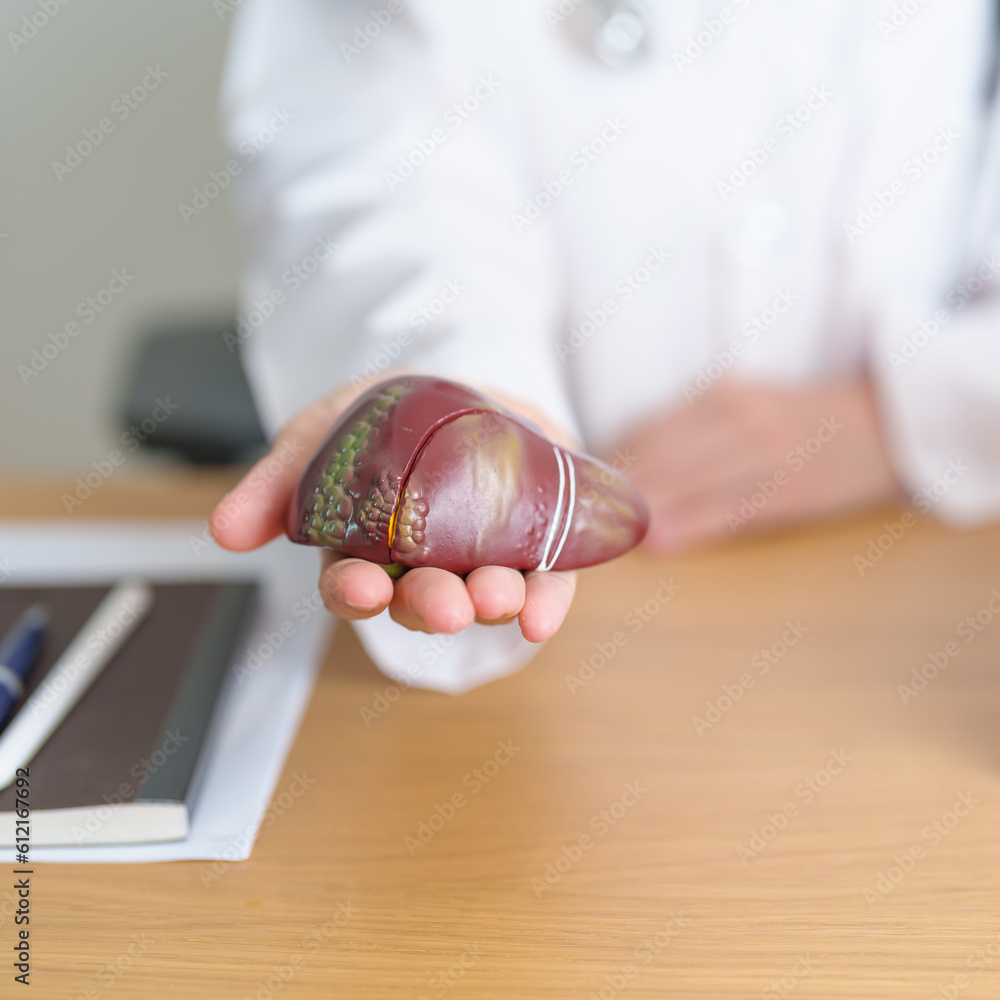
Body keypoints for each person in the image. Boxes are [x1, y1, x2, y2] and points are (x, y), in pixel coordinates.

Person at [210, 0, 1000, 693]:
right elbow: (372, 168)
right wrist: (460, 385)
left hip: (923, 571)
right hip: (581, 658)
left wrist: (912, 415)